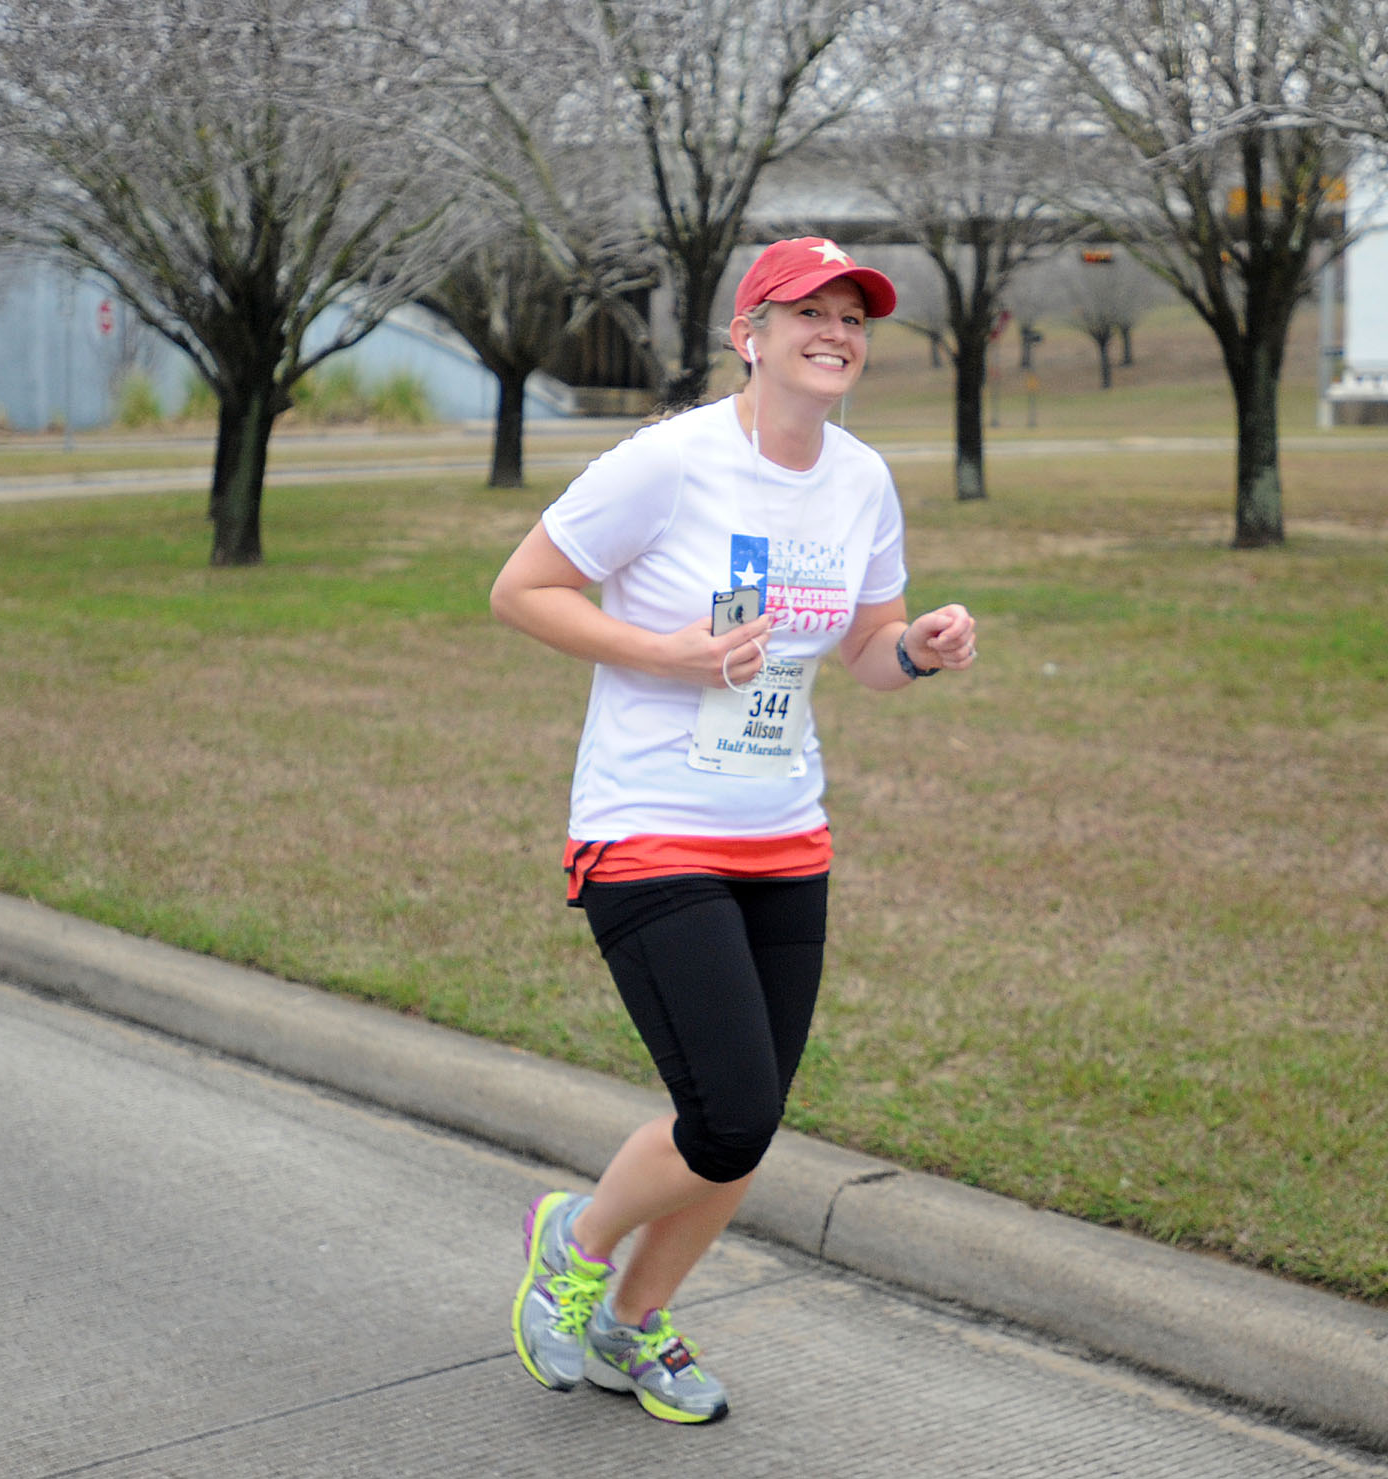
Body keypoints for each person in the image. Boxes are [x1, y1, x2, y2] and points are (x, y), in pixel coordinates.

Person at [490, 238, 977, 1424]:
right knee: (731, 1114)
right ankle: (574, 1240)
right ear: (746, 336)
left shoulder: (859, 479)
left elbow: (864, 651)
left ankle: (631, 1324)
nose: (835, 332)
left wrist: (917, 649)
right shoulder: (668, 462)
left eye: (852, 317)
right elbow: (521, 590)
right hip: (649, 824)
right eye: (807, 311)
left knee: (739, 1130)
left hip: (783, 834)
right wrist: (665, 653)